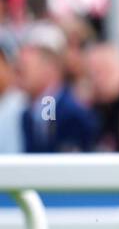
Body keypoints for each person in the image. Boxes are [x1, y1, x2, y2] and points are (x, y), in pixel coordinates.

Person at [16, 24, 99, 153]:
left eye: (25, 67)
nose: (19, 68)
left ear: (50, 66)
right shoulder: (28, 115)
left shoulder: (74, 115)